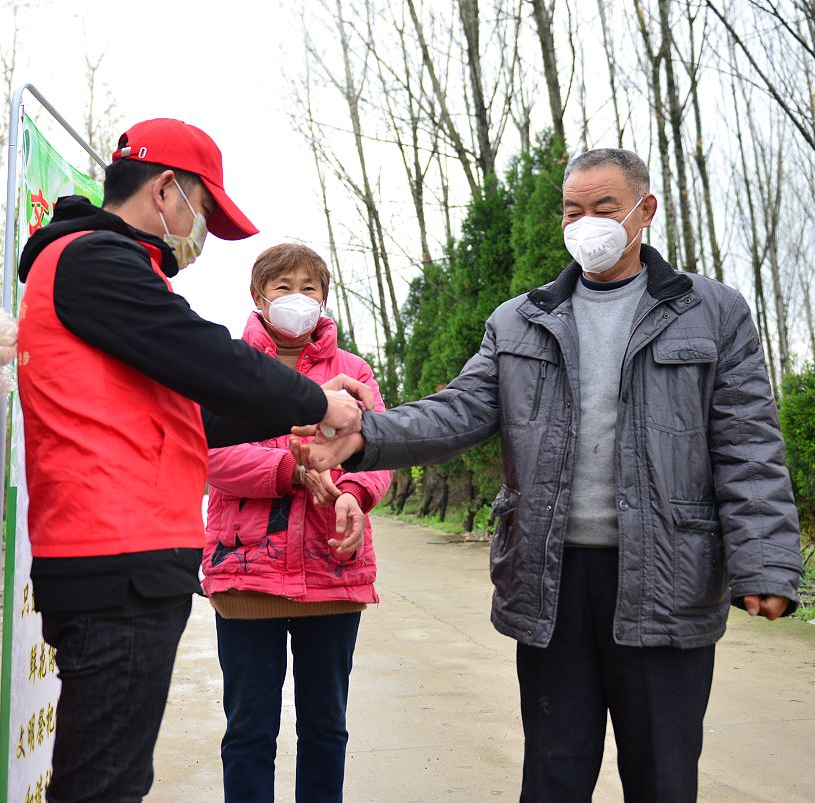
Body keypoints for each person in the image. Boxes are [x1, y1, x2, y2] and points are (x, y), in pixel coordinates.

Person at [294, 148, 803, 802]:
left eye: (603, 208)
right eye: (572, 209)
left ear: (644, 211)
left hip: (667, 577)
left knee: (663, 776)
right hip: (551, 580)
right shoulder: (521, 319)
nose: (584, 221)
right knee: (554, 774)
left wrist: (765, 564)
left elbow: (747, 441)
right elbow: (458, 411)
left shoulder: (713, 313)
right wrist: (366, 433)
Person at [15, 118, 372, 803]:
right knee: (105, 784)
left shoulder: (107, 269)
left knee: (117, 774)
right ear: (167, 191)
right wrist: (318, 404)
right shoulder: (93, 261)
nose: (200, 229)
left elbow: (190, 411)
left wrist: (304, 406)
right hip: (113, 558)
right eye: (202, 211)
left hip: (131, 558)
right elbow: (207, 358)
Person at [202, 244, 390, 803]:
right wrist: (288, 468)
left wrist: (353, 492)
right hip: (246, 574)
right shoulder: (226, 365)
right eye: (283, 286)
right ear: (257, 296)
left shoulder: (353, 372)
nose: (297, 298)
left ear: (325, 297)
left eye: (310, 287)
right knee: (249, 729)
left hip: (331, 570)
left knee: (326, 726)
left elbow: (377, 450)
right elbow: (209, 455)